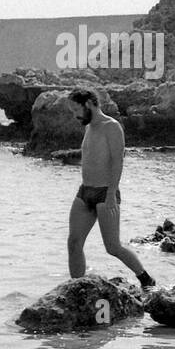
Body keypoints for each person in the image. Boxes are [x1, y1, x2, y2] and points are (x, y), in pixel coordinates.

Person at [66, 89, 157, 288]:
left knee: (113, 247)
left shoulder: (112, 126)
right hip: (84, 192)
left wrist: (110, 196)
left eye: (76, 109)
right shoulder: (89, 127)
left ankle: (145, 278)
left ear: (89, 103)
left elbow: (117, 161)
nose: (75, 115)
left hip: (105, 193)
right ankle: (76, 287)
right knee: (73, 242)